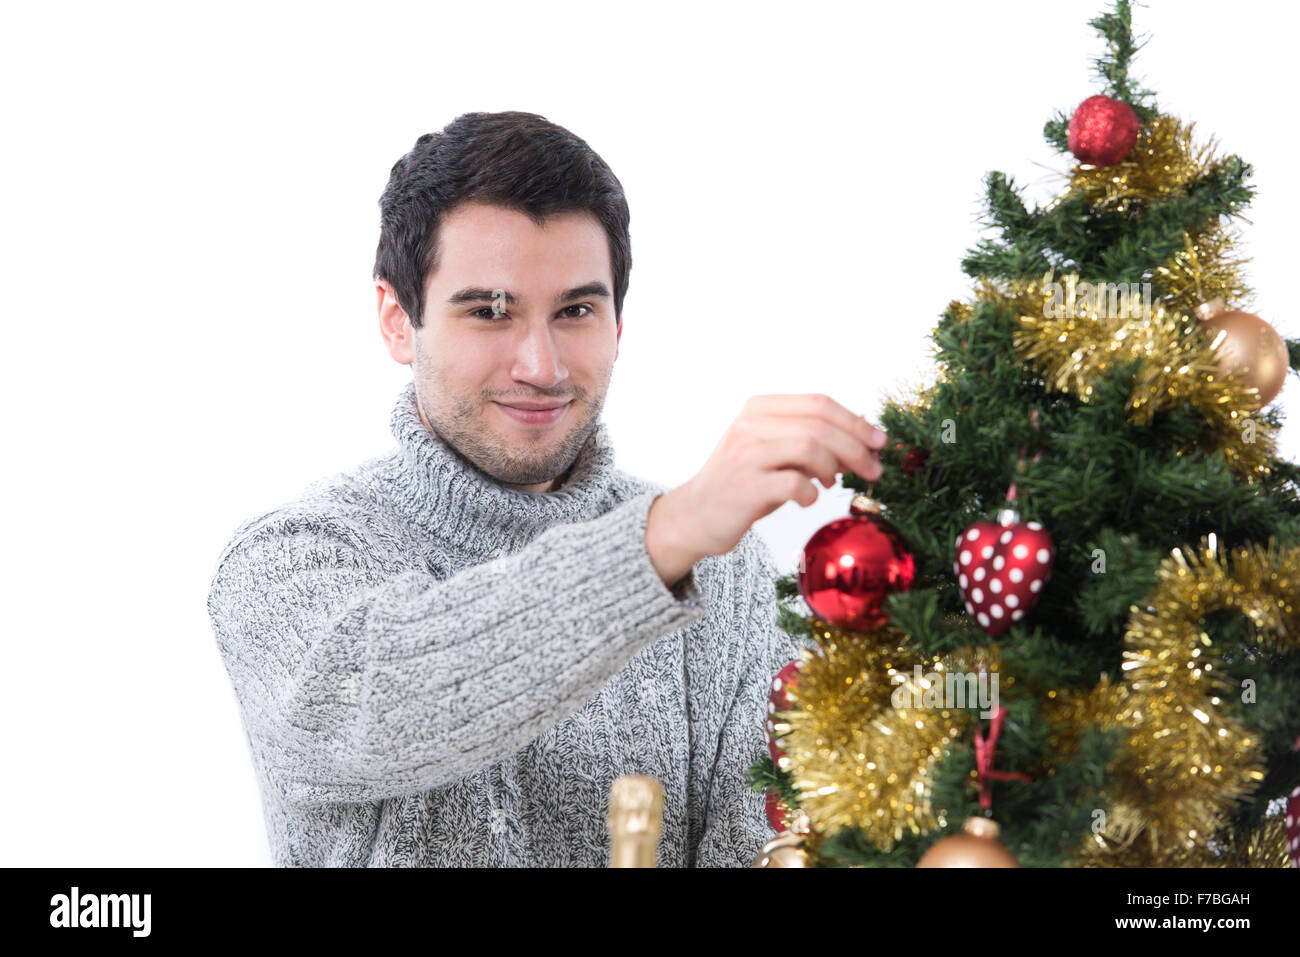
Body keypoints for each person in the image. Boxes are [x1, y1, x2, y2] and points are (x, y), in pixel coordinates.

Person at [206, 110, 887, 867]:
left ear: (619, 323)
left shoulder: (726, 573)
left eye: (575, 310)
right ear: (397, 321)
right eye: (489, 312)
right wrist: (663, 539)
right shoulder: (285, 561)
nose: (542, 364)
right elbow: (390, 701)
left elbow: (772, 845)